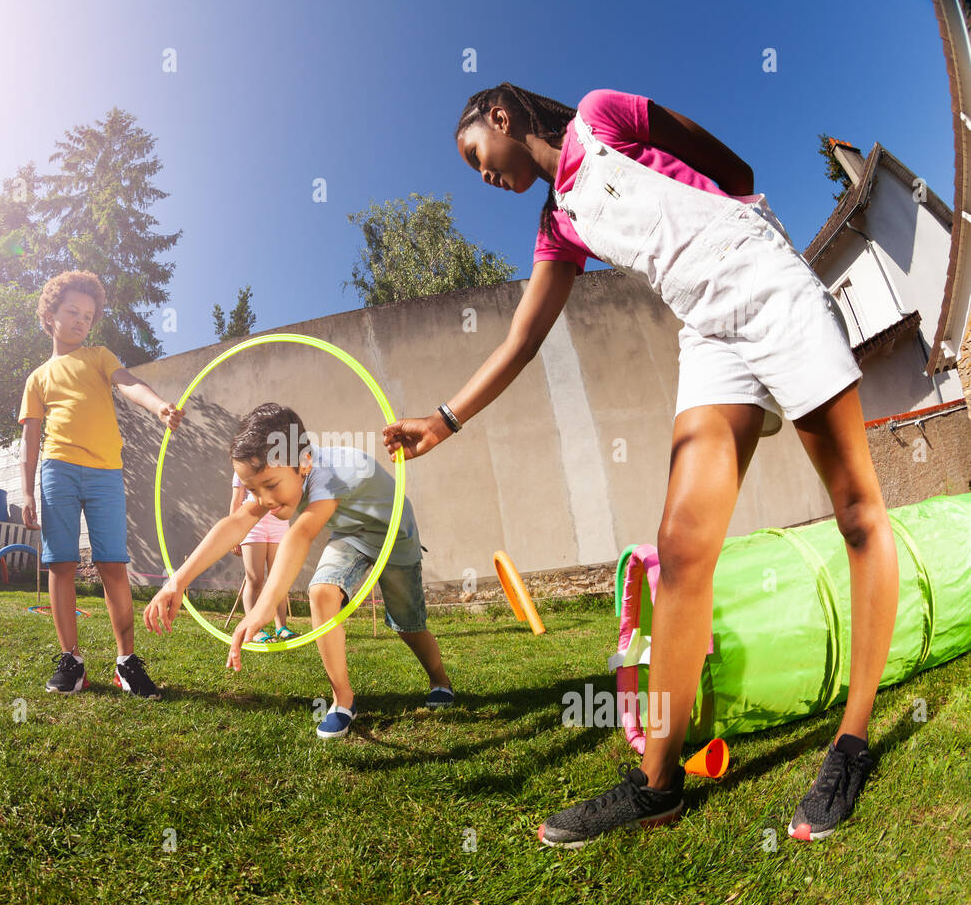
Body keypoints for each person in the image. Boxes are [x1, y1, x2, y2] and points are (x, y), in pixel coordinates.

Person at [383, 85, 898, 845]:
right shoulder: (559, 221)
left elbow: (729, 160)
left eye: (475, 156)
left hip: (764, 284)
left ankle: (850, 745)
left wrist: (738, 225)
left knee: (857, 513)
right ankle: (658, 784)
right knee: (684, 549)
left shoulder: (600, 113)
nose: (480, 174)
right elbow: (523, 338)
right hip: (708, 334)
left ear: (501, 118)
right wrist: (445, 419)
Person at [144, 402, 453, 739]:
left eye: (271, 486)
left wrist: (262, 610)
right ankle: (342, 699)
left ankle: (439, 679)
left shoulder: (333, 471)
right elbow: (236, 523)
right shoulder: (280, 473)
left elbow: (301, 534)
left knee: (408, 625)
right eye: (253, 490)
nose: (262, 499)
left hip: (394, 533)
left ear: (303, 463)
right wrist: (178, 581)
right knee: (322, 591)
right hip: (352, 535)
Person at [19, 269, 184, 698]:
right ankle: (71, 661)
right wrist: (24, 490)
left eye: (88, 315)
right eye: (72, 311)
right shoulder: (37, 378)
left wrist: (159, 406)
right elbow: (30, 440)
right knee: (62, 563)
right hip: (57, 469)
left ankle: (126, 662)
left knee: (113, 564)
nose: (80, 320)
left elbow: (129, 384)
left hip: (106, 472)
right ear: (50, 314)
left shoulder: (99, 356)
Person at [230, 469, 297, 643]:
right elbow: (237, 499)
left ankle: (281, 627)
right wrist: (233, 534)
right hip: (253, 524)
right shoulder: (243, 465)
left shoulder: (281, 465)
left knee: (279, 578)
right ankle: (255, 630)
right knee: (255, 579)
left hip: (279, 524)